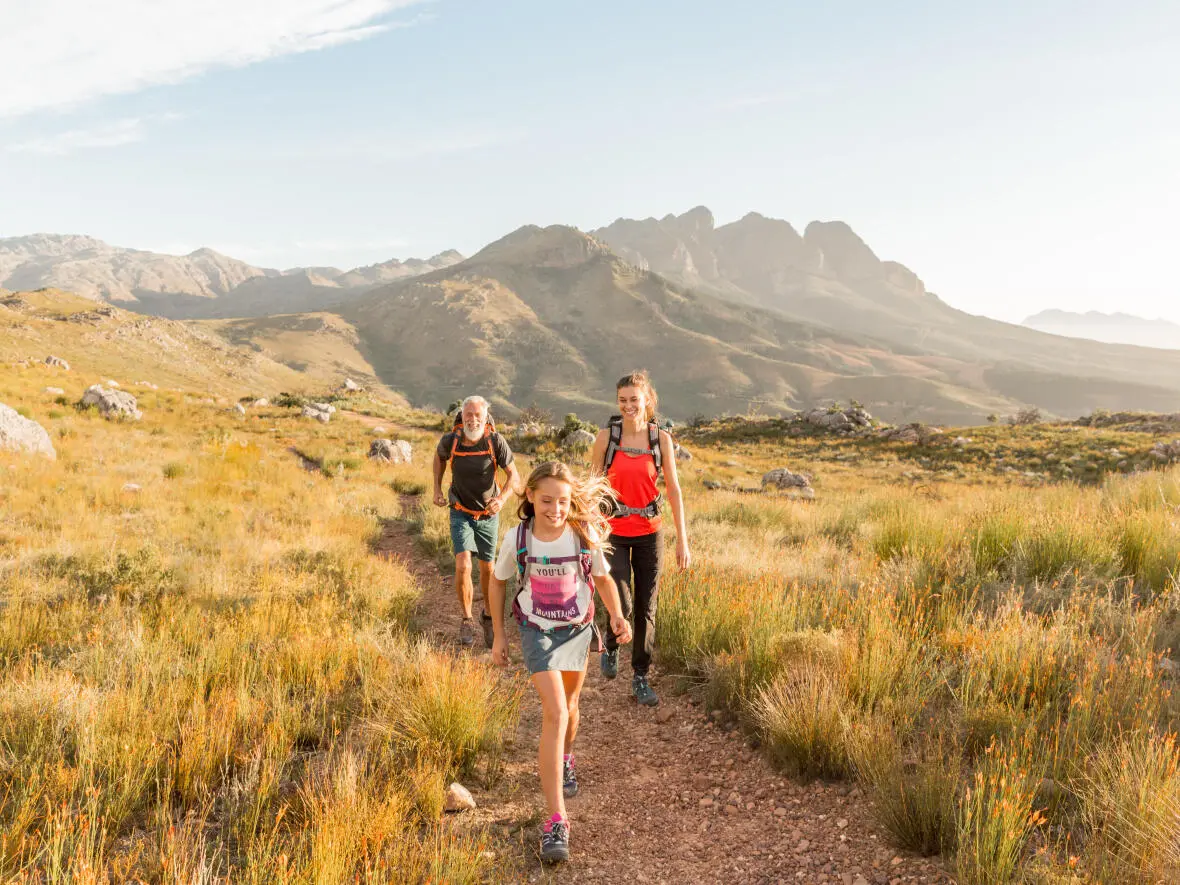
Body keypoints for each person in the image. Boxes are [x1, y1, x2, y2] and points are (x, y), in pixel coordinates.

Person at [487, 461, 632, 864]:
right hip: (537, 631)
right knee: (555, 713)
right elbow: (497, 582)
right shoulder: (517, 538)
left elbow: (602, 579)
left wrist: (617, 616)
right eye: (546, 500)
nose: (555, 509)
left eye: (563, 501)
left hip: (578, 630)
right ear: (529, 496)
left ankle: (566, 759)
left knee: (570, 709)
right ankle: (556, 821)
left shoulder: (581, 534)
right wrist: (499, 635)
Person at [590, 370, 690, 706]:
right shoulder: (606, 438)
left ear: (647, 399)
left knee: (647, 608)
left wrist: (683, 541)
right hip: (613, 532)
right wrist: (587, 532)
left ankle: (640, 677)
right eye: (623, 400)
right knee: (624, 601)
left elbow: (673, 490)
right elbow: (591, 489)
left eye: (635, 399)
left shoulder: (660, 440)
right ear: (617, 402)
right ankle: (613, 639)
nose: (629, 405)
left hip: (650, 533)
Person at [433, 395, 520, 647]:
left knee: (488, 569)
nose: (473, 419)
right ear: (462, 415)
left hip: (488, 515)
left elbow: (513, 475)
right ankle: (467, 619)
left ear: (485, 417)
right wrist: (437, 490)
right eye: (468, 414)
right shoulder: (451, 440)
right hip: (460, 510)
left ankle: (488, 617)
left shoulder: (495, 441)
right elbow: (438, 458)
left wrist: (502, 500)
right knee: (463, 566)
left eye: (478, 415)